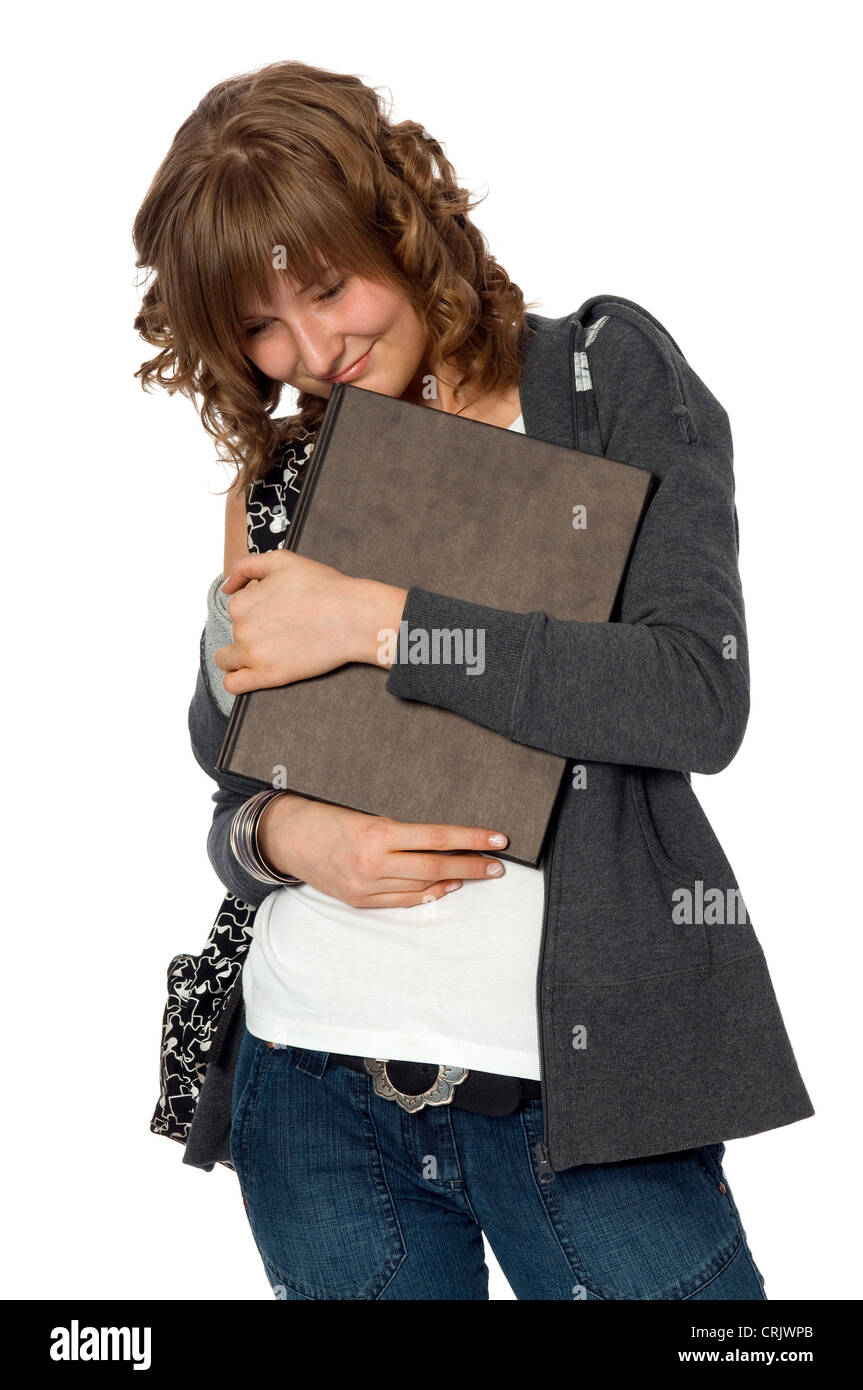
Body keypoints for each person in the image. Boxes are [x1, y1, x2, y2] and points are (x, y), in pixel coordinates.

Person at [133, 59, 813, 1300]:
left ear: (401, 224)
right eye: (260, 324)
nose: (312, 348)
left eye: (330, 287)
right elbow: (236, 780)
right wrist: (286, 838)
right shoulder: (279, 481)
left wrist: (381, 620)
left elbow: (690, 696)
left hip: (581, 1102)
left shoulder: (599, 382)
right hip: (315, 1089)